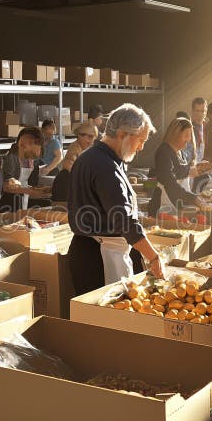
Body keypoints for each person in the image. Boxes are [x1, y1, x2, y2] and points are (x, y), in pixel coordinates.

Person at [67, 103, 166, 295]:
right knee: (105, 319)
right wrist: (153, 257)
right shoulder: (106, 166)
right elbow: (124, 220)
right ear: (123, 135)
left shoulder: (91, 158)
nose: (141, 148)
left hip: (89, 251)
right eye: (140, 140)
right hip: (98, 257)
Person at [148, 118, 212, 217]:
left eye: (190, 135)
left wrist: (196, 170)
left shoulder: (180, 152)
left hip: (176, 208)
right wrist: (193, 198)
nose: (189, 139)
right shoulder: (164, 151)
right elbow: (169, 182)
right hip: (161, 209)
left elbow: (179, 171)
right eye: (186, 135)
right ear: (176, 134)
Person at [1, 127, 51, 211]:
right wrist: (30, 192)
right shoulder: (11, 157)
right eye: (37, 144)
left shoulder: (30, 159)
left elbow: (23, 183)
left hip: (23, 199)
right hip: (9, 203)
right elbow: (6, 186)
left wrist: (37, 190)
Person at [52, 122, 98, 203]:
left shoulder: (86, 150)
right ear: (80, 135)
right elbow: (68, 166)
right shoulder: (74, 149)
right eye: (89, 137)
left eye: (93, 137)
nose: (91, 141)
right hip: (66, 186)